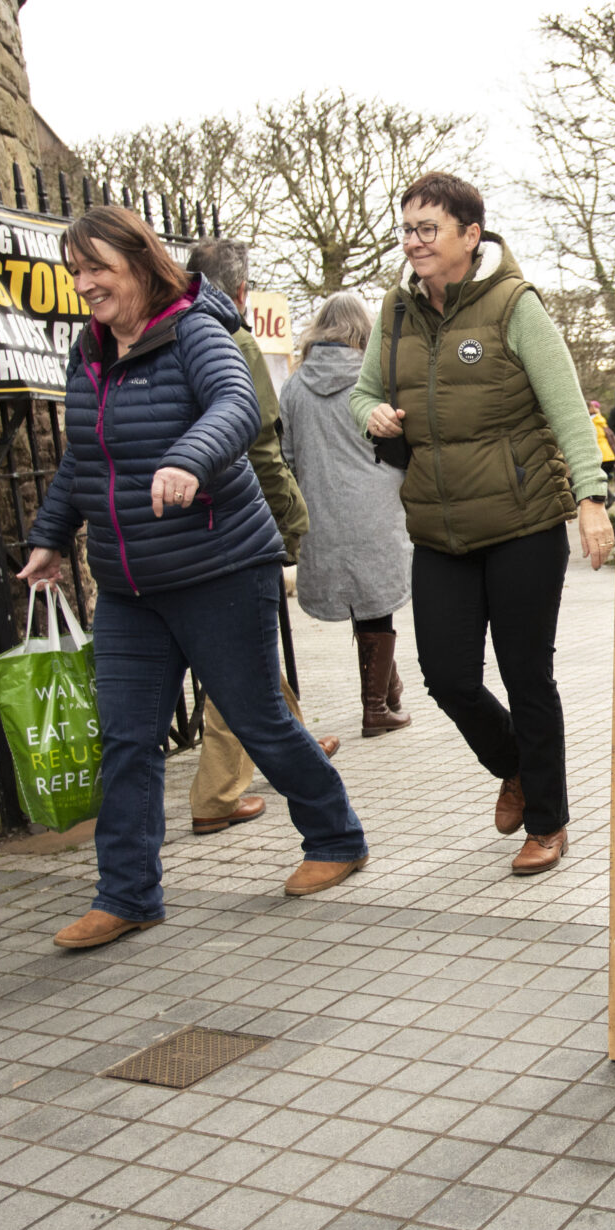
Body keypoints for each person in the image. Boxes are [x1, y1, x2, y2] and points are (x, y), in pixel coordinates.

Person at [18, 206, 370, 950]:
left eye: (97, 268)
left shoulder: (194, 331)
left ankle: (336, 837)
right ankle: (127, 894)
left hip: (219, 566)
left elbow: (237, 406)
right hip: (129, 586)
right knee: (126, 740)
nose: (83, 284)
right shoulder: (90, 351)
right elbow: (84, 456)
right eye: (75, 271)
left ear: (141, 263)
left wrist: (188, 456)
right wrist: (50, 537)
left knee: (258, 718)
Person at [351, 172, 613, 877]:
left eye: (428, 228)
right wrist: (372, 414)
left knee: (528, 675)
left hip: (523, 521)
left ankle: (548, 822)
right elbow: (363, 392)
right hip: (440, 527)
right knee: (446, 676)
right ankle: (516, 765)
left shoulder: (513, 304)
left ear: (470, 234)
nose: (414, 241)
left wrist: (591, 498)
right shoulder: (396, 310)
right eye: (407, 228)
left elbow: (566, 407)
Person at [181, 239, 338, 837]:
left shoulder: (163, 336)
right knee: (240, 656)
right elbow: (262, 447)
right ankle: (216, 794)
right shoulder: (233, 339)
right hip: (233, 520)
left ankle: (293, 741)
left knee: (249, 647)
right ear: (241, 291)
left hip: (179, 521)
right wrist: (291, 516)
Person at [280, 292, 412, 736]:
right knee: (375, 598)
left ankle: (390, 691)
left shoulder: (294, 386)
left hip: (320, 509)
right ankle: (376, 708)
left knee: (363, 599)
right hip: (377, 505)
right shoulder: (376, 381)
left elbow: (286, 456)